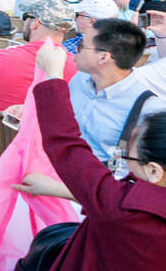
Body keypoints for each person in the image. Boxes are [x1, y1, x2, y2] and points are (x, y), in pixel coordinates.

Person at [11, 43, 166, 271]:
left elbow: (66, 144)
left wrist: (54, 75)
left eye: (129, 159)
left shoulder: (119, 209)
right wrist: (63, 190)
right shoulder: (121, 204)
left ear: (154, 171)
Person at [0, 0, 76, 166]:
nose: (24, 21)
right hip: (46, 160)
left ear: (36, 23)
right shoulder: (79, 69)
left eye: (27, 17)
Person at [66, 18, 164, 163]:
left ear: (103, 57)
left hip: (100, 182)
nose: (75, 50)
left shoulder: (148, 109)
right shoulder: (79, 80)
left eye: (81, 46)